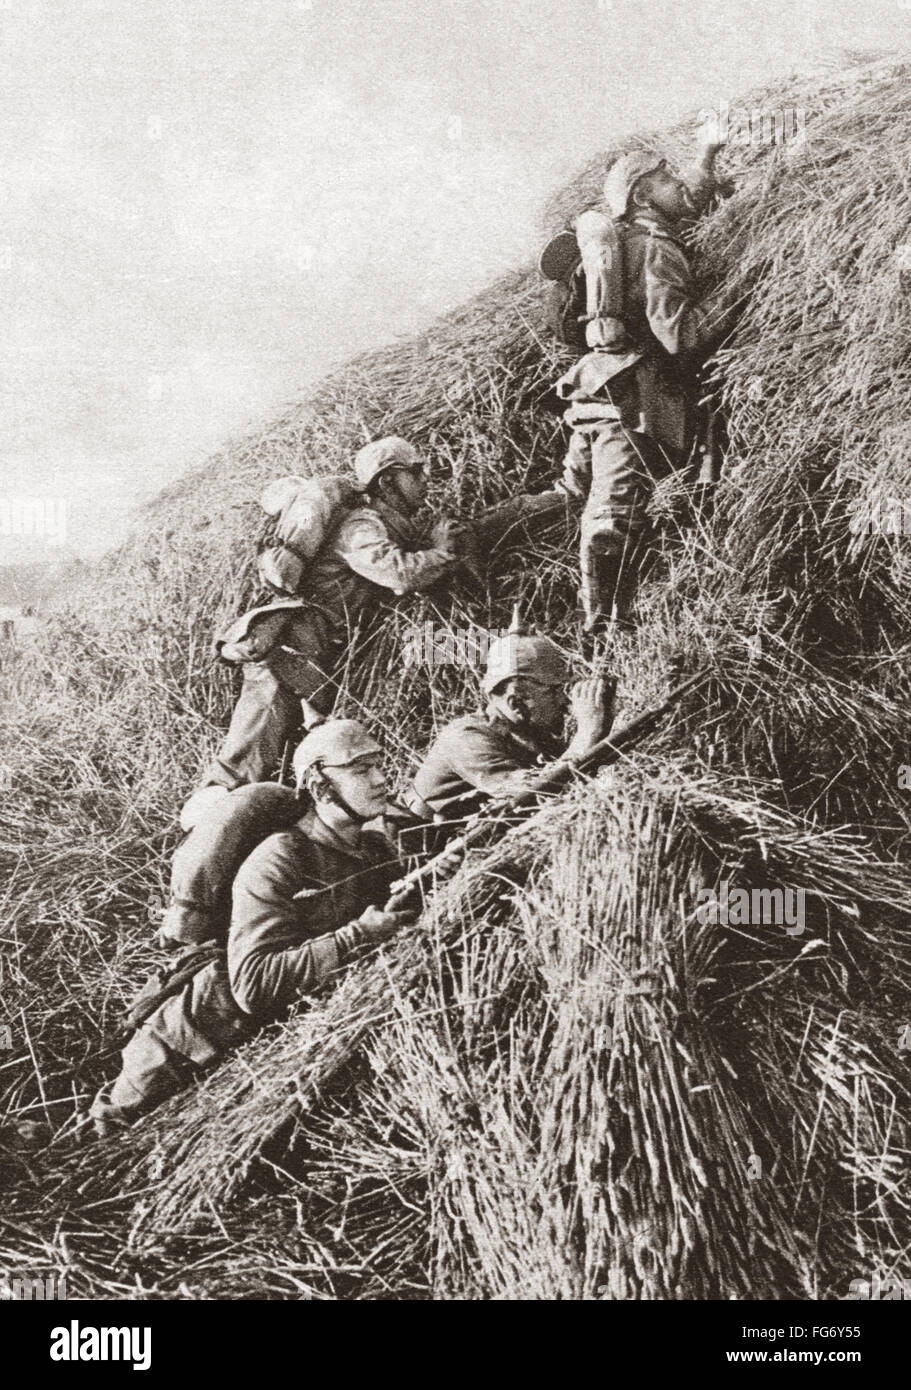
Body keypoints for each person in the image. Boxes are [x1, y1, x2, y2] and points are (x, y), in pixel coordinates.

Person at [90, 716, 413, 1136]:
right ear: (319, 786)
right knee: (104, 1146)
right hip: (191, 1046)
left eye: (379, 764)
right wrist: (360, 935)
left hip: (256, 1046)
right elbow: (253, 984)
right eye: (360, 769)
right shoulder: (280, 858)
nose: (381, 779)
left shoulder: (373, 849)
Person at [203, 436, 469, 789]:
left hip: (320, 662)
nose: (426, 479)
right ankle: (207, 825)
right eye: (416, 471)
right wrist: (441, 552)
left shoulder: (388, 525)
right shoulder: (360, 526)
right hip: (288, 658)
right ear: (388, 481)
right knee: (238, 770)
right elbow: (400, 575)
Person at [554, 125, 731, 631]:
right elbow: (679, 334)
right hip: (630, 404)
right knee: (614, 516)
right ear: (641, 194)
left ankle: (488, 529)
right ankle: (603, 626)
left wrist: (707, 154)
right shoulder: (653, 247)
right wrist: (739, 295)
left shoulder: (633, 238)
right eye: (665, 176)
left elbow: (689, 199)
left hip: (594, 393)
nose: (678, 182)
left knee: (566, 497)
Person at [404, 630, 615, 825]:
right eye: (555, 691)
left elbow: (580, 780)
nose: (564, 701)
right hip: (407, 855)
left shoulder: (529, 734)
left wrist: (602, 728)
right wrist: (587, 732)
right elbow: (534, 794)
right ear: (517, 703)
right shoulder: (465, 739)